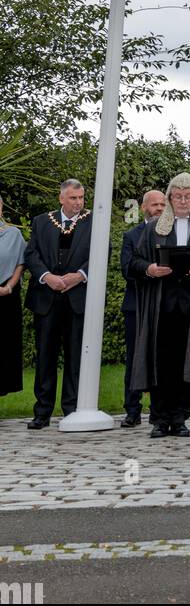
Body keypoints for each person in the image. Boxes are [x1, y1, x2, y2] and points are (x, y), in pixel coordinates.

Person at [130, 172, 190, 439]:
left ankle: (180, 417)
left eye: (187, 196)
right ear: (170, 197)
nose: (182, 200)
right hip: (161, 305)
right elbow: (134, 262)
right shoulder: (153, 228)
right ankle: (159, 419)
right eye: (177, 195)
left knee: (188, 361)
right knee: (161, 362)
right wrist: (149, 268)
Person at [23, 179, 92, 429]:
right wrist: (47, 277)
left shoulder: (93, 222)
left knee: (75, 357)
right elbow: (31, 254)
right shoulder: (42, 221)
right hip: (47, 300)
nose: (79, 203)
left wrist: (80, 276)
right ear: (61, 198)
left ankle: (72, 409)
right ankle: (42, 412)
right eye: (73, 198)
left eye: (81, 197)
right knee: (45, 357)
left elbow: (100, 253)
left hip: (77, 299)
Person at [119, 188, 166, 428]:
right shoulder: (132, 235)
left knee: (162, 358)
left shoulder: (173, 233)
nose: (159, 208)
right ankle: (132, 409)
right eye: (155, 204)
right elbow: (127, 269)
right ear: (144, 207)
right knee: (135, 358)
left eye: (162, 204)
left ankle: (160, 411)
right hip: (137, 304)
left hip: (165, 305)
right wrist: (150, 271)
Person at [0, 196, 26, 399]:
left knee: (4, 351)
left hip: (5, 298)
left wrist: (8, 287)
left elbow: (20, 263)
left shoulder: (13, 234)